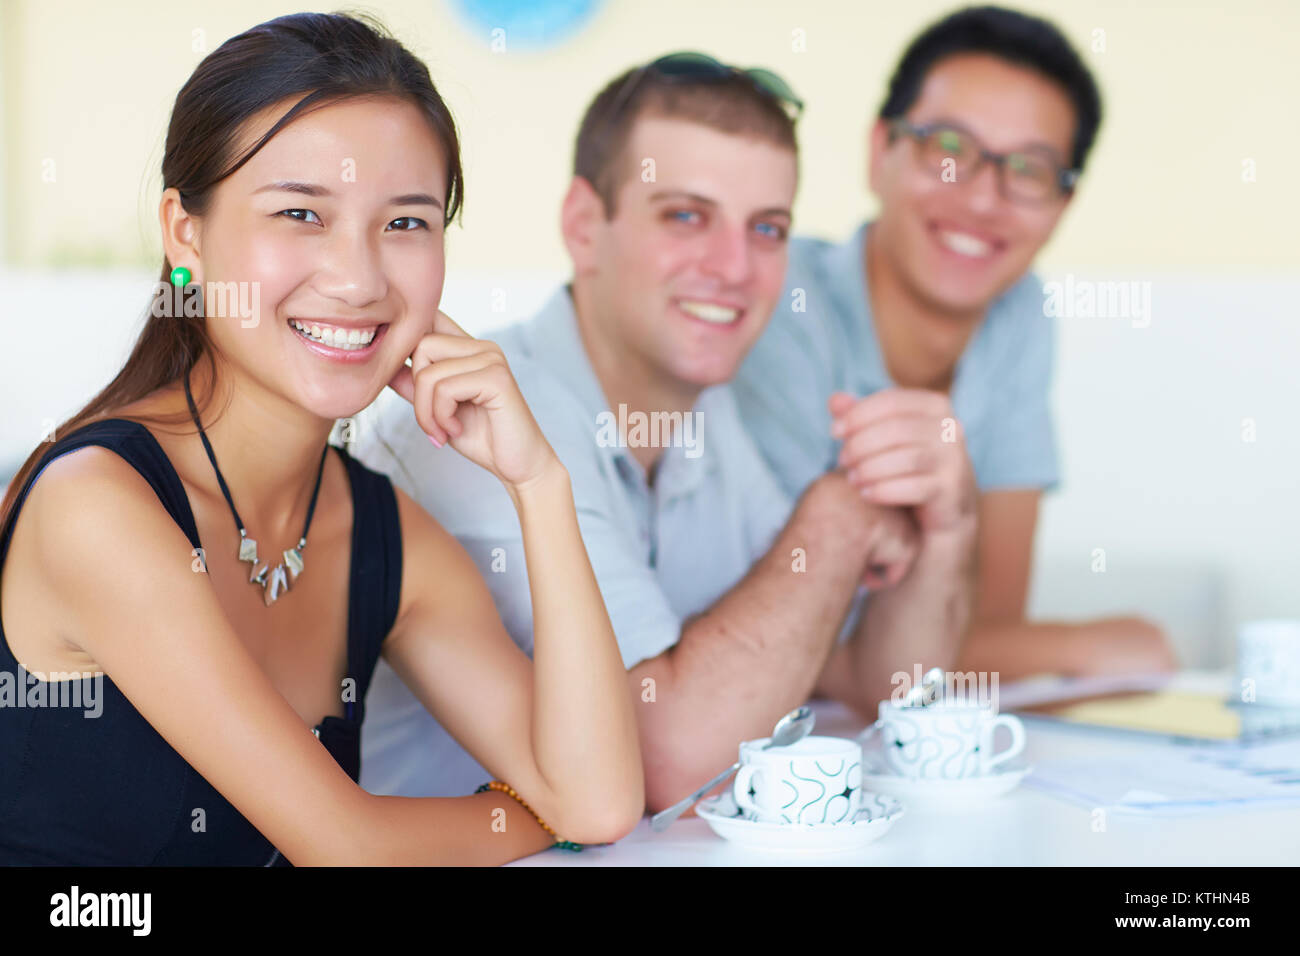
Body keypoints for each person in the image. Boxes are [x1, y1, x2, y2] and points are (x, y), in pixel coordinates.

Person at [0, 11, 642, 866]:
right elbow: (345, 845)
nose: (358, 277)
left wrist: (538, 483)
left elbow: (597, 801)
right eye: (302, 213)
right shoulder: (98, 506)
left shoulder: (383, 536)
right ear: (184, 233)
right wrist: (530, 816)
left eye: (406, 223)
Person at [352, 52, 978, 811]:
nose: (734, 267)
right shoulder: (465, 418)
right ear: (585, 226)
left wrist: (947, 527)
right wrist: (842, 516)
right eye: (686, 215)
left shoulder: (707, 409)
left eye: (768, 229)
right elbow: (663, 758)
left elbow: (868, 680)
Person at [732, 5, 1178, 683]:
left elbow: (979, 631)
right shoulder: (775, 304)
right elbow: (789, 651)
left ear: (1064, 204)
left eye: (1029, 169)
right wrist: (1084, 649)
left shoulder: (1018, 313)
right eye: (947, 149)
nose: (979, 199)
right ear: (880, 151)